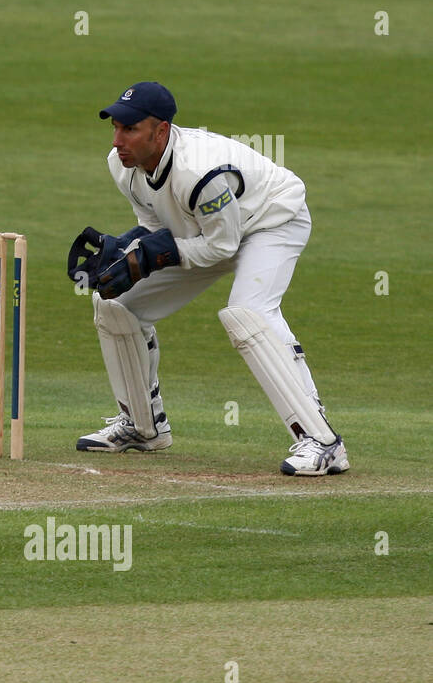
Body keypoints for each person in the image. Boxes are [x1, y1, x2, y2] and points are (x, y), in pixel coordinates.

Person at [65, 82, 348, 476]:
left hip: (270, 220)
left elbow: (225, 246)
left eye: (129, 129)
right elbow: (156, 223)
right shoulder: (122, 165)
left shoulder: (198, 172)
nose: (117, 140)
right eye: (115, 128)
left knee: (248, 313)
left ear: (160, 131)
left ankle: (323, 443)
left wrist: (155, 255)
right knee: (116, 305)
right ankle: (143, 428)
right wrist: (131, 249)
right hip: (210, 230)